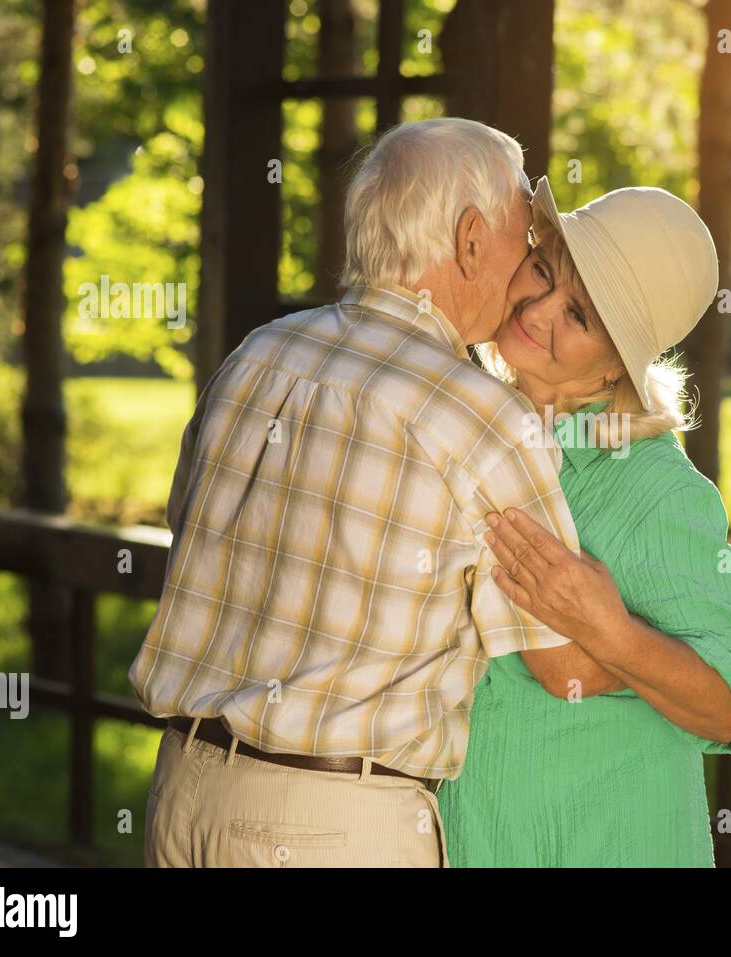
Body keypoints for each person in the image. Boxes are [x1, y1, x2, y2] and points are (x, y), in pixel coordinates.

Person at [128, 118, 584, 867]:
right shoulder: (480, 415)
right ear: (471, 240)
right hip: (332, 825)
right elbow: (562, 664)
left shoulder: (256, 356)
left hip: (183, 793)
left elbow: (192, 526)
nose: (532, 257)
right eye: (524, 236)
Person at [436, 176, 731, 866]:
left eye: (580, 315)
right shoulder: (478, 424)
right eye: (544, 269)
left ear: (617, 363)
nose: (538, 308)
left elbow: (725, 709)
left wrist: (609, 632)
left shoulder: (654, 487)